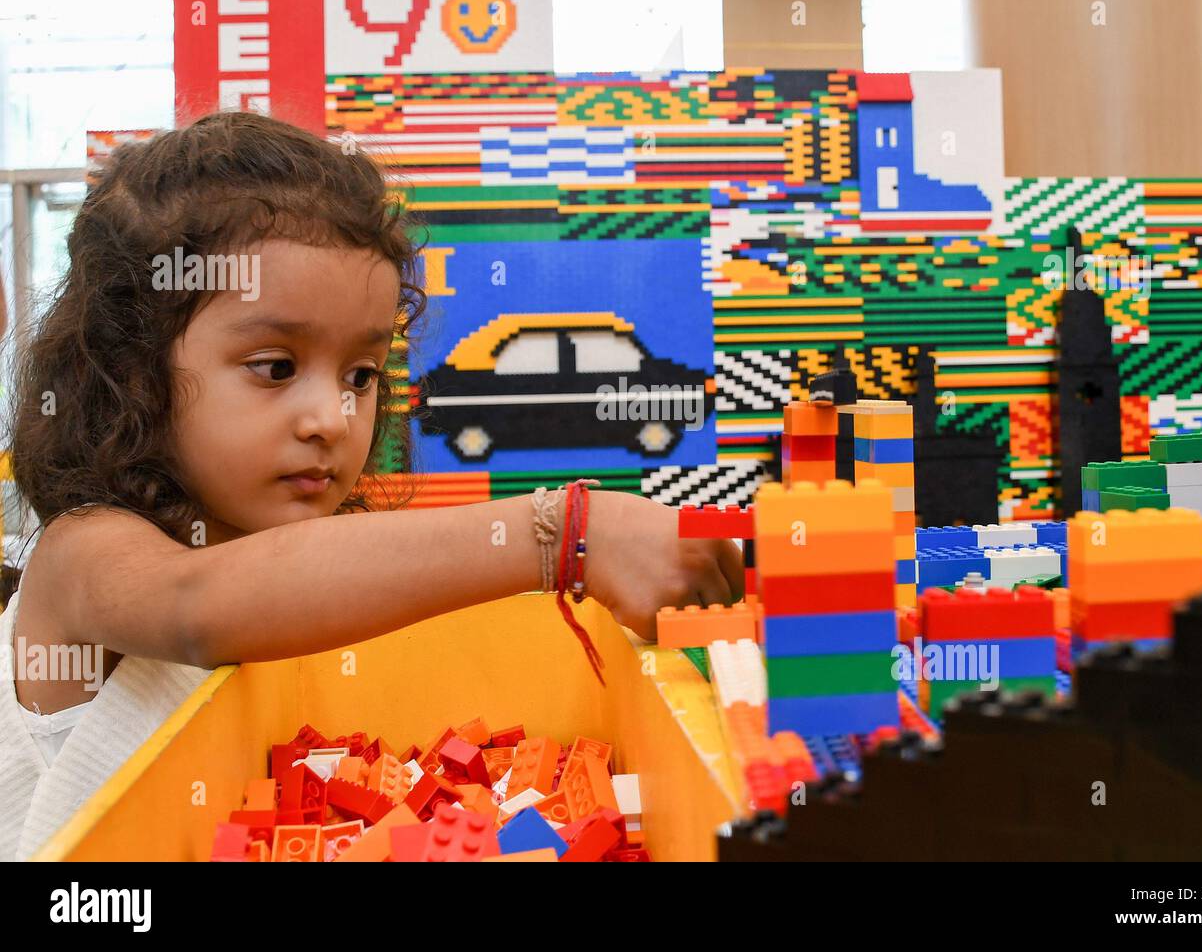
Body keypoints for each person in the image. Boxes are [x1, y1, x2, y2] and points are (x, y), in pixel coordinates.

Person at [0, 111, 742, 860]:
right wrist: (566, 534)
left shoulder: (298, 564)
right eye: (276, 368)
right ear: (132, 371)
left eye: (360, 375)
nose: (332, 416)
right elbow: (199, 606)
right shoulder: (82, 556)